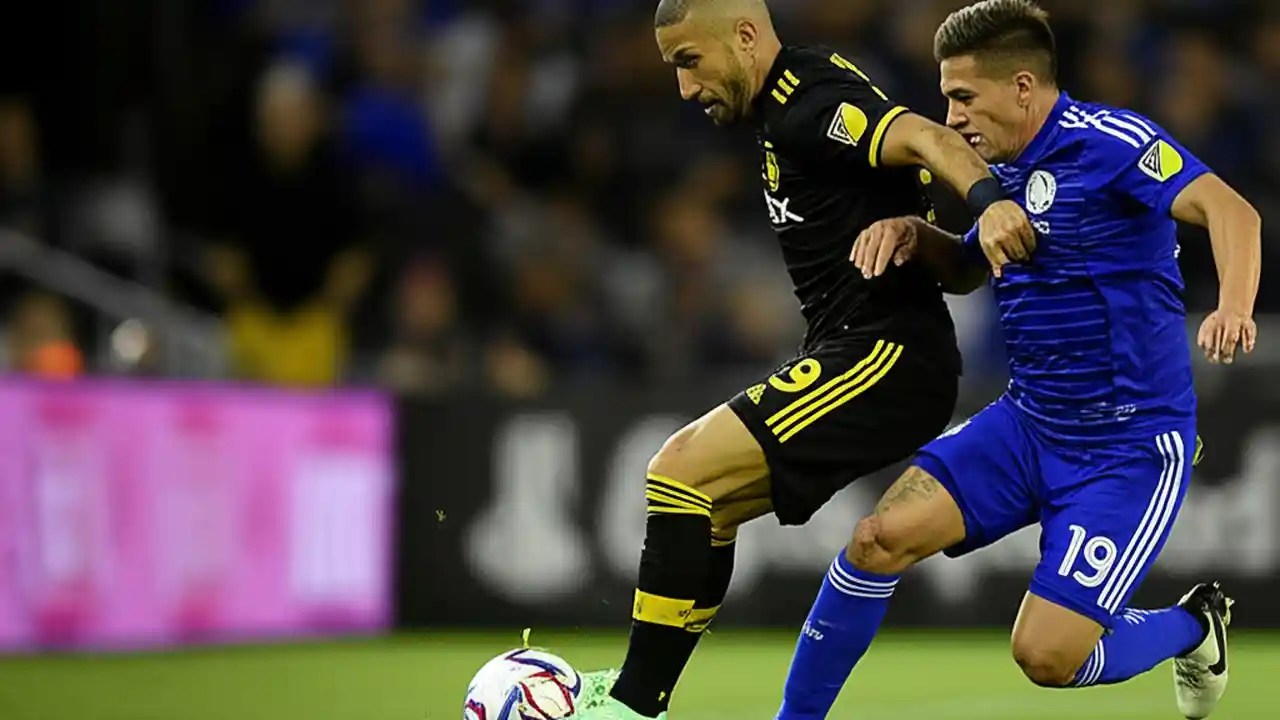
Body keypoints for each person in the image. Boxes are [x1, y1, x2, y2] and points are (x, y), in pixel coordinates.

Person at [773, 2, 1262, 719]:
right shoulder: (999, 174)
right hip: (1028, 425)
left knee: (1046, 656)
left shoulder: (1113, 142)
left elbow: (1232, 211)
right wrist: (917, 233)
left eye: (964, 96)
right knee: (877, 540)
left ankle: (1194, 626)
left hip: (1126, 449)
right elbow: (971, 267)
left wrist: (1234, 305)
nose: (952, 114)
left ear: (1023, 87)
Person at [573, 0, 1036, 718]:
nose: (685, 88)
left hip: (885, 355)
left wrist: (990, 202)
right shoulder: (792, 104)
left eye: (689, 62)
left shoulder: (806, 100)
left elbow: (917, 134)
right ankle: (644, 699)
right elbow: (963, 269)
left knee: (678, 469)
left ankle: (633, 706)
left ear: (747, 37)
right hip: (864, 350)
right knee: (707, 506)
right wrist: (935, 236)